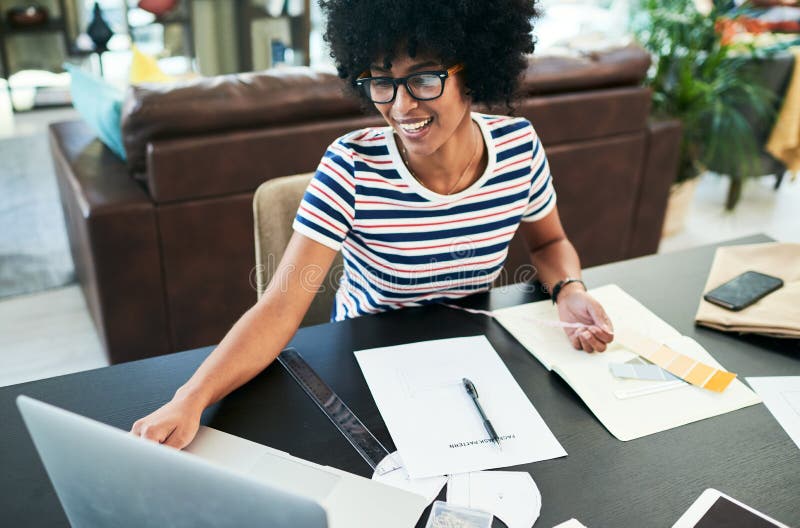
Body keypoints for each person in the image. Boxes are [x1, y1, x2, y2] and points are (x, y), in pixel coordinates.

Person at [131, 0, 614, 449]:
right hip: (366, 365)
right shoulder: (352, 164)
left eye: (424, 79)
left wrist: (569, 290)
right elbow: (279, 306)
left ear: (478, 71)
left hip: (472, 355)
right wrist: (189, 398)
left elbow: (549, 241)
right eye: (382, 81)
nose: (402, 107)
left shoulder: (518, 146)